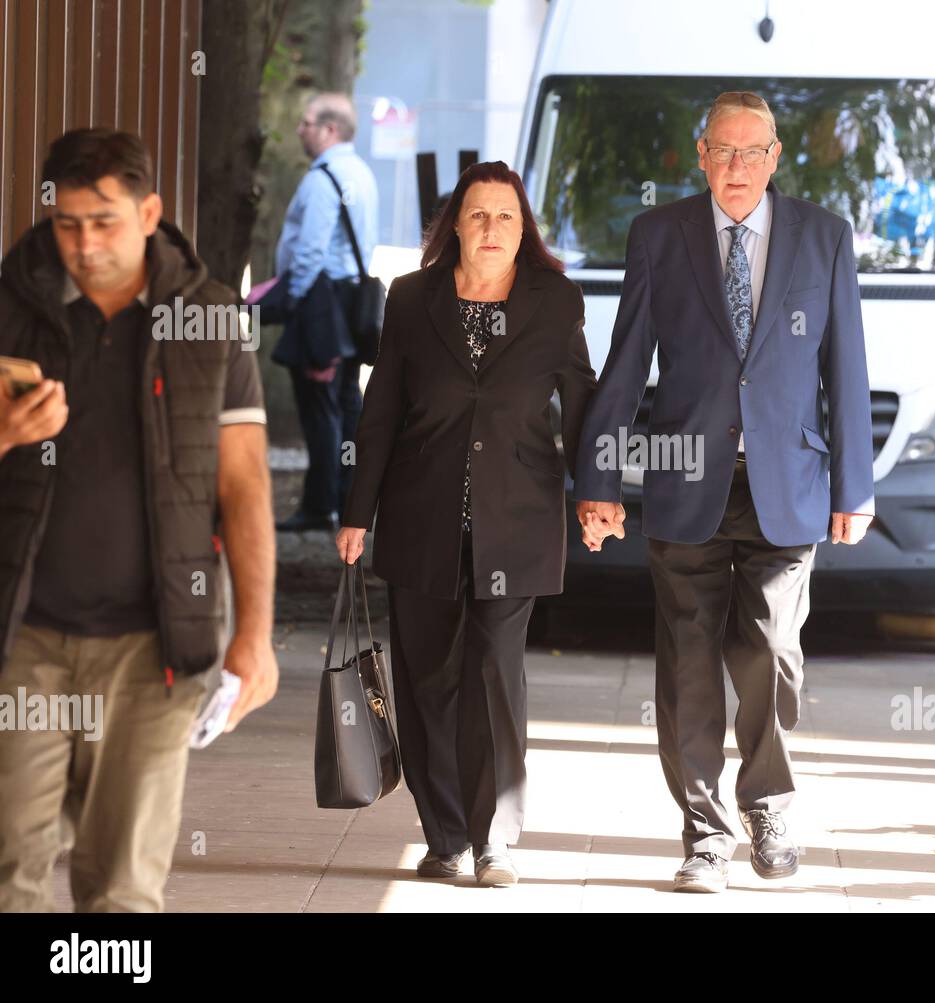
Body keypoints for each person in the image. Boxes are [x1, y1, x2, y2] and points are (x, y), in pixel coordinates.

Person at [575, 92, 876, 893]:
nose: (737, 168)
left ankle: (768, 799)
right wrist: (598, 479)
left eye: (753, 152)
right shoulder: (658, 236)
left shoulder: (824, 237)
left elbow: (845, 368)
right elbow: (626, 363)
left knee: (772, 651)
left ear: (776, 157)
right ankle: (705, 833)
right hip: (685, 484)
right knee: (687, 665)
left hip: (788, 484)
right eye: (723, 152)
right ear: (699, 155)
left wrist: (856, 485)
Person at [0, 128, 278, 911]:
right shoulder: (7, 305)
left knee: (122, 886)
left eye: (105, 222)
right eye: (66, 224)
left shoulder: (213, 318)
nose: (85, 245)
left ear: (150, 211)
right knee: (10, 873)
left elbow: (245, 484)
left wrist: (252, 636)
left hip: (157, 650)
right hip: (24, 642)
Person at [335, 161, 596, 887]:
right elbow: (381, 408)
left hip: (516, 521)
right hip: (421, 518)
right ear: (454, 223)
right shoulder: (413, 300)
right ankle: (444, 833)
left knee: (493, 673)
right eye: (478, 215)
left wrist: (597, 492)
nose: (491, 229)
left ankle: (494, 837)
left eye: (505, 217)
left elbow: (581, 401)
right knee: (425, 679)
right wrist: (358, 512)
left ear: (524, 228)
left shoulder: (555, 301)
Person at [274, 92, 380, 533]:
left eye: (307, 122)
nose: (300, 129)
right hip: (350, 302)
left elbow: (310, 250)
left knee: (319, 405)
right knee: (345, 403)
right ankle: (348, 500)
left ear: (330, 129)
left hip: (321, 303)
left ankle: (319, 506)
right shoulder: (360, 172)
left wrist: (291, 300)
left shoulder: (323, 179)